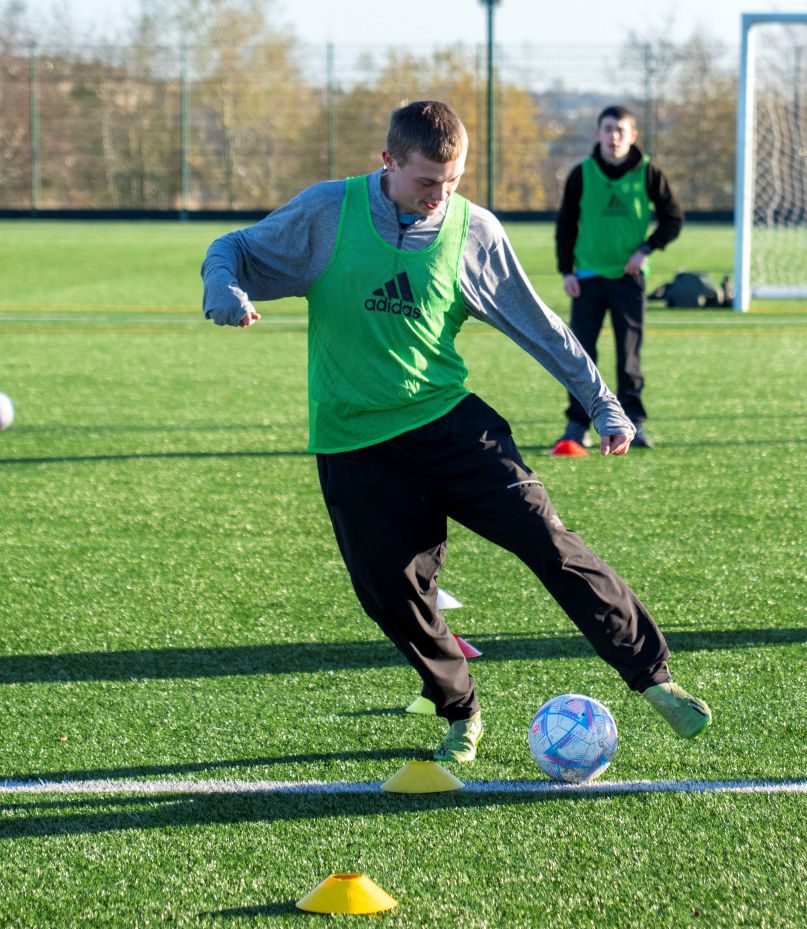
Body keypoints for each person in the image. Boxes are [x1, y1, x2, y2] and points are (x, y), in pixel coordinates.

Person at [201, 100, 711, 764]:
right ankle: (460, 709)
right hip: (355, 443)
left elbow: (541, 327)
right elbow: (233, 248)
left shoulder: (473, 230)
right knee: (389, 595)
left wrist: (601, 401)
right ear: (388, 162)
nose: (441, 195)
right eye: (427, 182)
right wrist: (223, 286)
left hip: (451, 426)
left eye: (453, 181)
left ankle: (654, 677)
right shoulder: (329, 214)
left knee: (547, 538)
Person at [553, 105, 682, 451]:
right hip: (588, 276)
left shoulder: (648, 173)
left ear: (632, 136)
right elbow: (565, 225)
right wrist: (567, 271)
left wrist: (645, 251)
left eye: (620, 130)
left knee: (629, 355)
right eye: (607, 129)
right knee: (580, 354)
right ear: (597, 133)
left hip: (628, 278)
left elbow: (673, 218)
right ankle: (577, 424)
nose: (614, 137)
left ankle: (632, 423)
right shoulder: (582, 174)